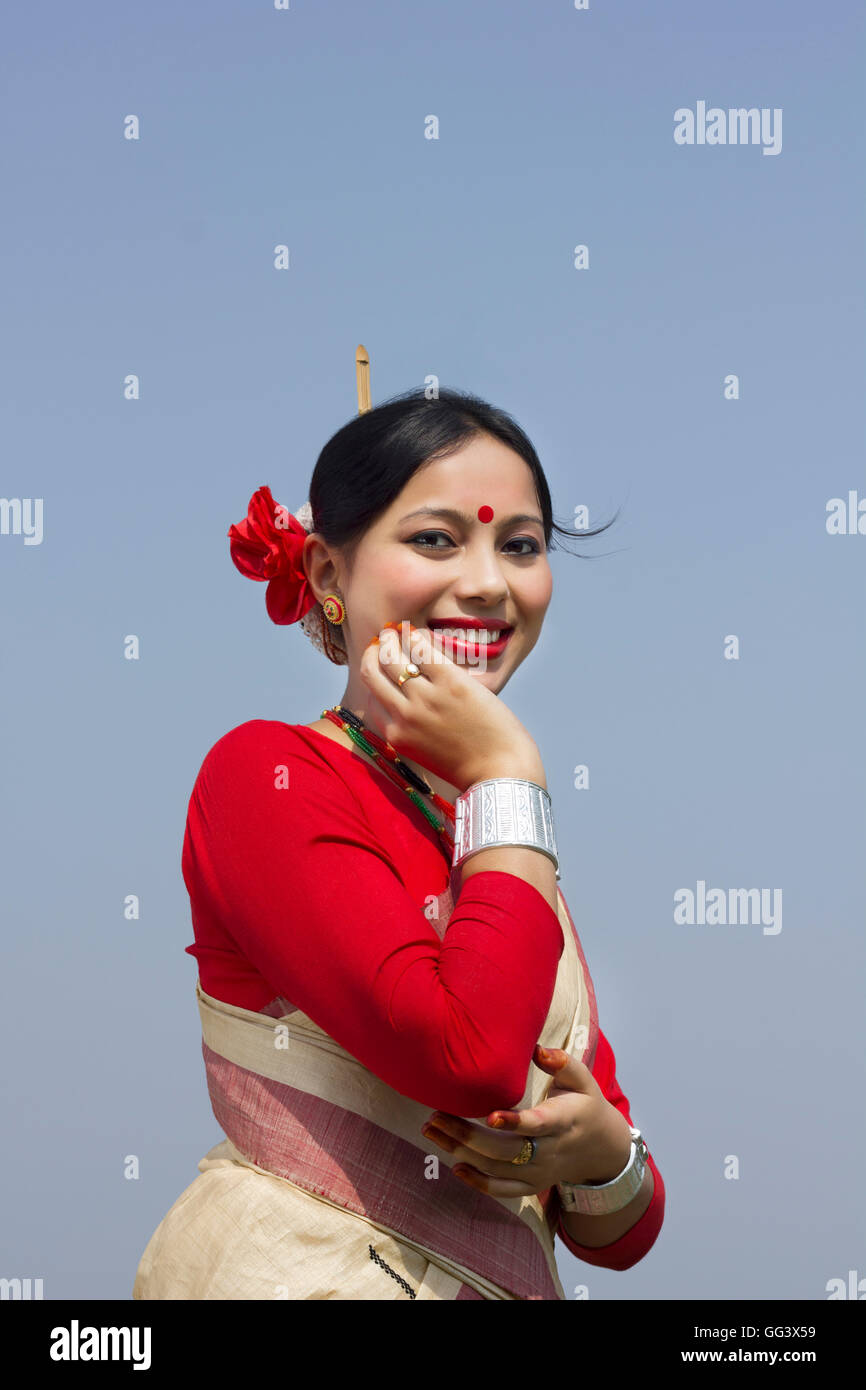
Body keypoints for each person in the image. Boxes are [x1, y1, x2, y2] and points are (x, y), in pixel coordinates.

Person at [133, 358, 665, 1300]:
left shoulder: (497, 848)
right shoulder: (267, 776)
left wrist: (603, 1156)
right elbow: (466, 1058)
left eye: (522, 547)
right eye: (434, 539)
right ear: (328, 571)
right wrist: (506, 773)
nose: (489, 584)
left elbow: (622, 1234)